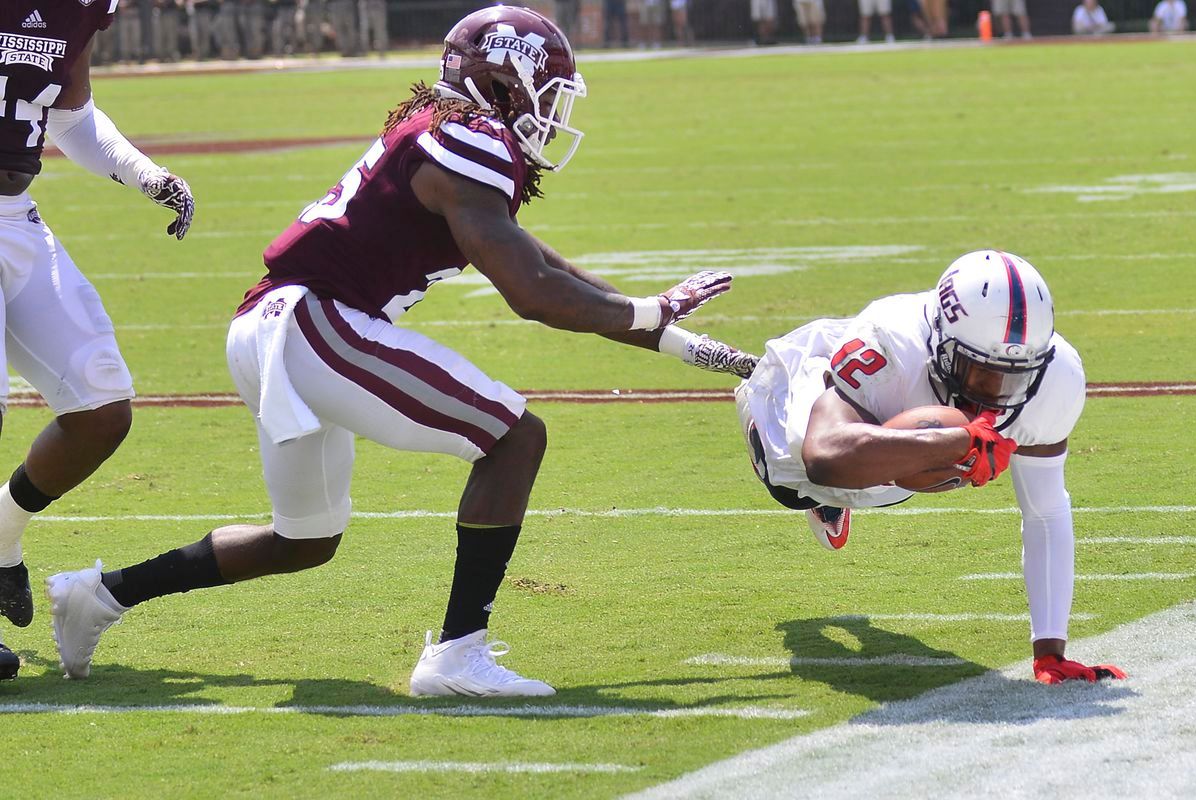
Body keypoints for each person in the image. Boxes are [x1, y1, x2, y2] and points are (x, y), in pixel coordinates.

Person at [46, 6, 755, 696]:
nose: (553, 111)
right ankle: (457, 654)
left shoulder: (445, 131)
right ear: (505, 81)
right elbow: (533, 292)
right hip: (316, 326)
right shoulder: (472, 142)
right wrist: (647, 312)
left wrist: (669, 332)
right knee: (513, 439)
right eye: (548, 90)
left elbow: (548, 269)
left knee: (306, 539)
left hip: (278, 326)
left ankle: (100, 596)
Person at [734, 250, 1127, 685]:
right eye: (980, 374)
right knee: (796, 485)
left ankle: (865, 477)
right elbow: (825, 455)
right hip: (820, 411)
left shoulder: (1057, 378)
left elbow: (1047, 509)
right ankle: (762, 410)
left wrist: (1050, 652)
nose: (996, 394)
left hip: (896, 452)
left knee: (905, 478)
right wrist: (957, 440)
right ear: (941, 343)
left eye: (1013, 377)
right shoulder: (891, 340)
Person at [0, 1, 194, 679]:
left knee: (100, 406)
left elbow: (72, 116)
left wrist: (146, 174)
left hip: (14, 218)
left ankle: (0, 540)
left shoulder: (80, 7)